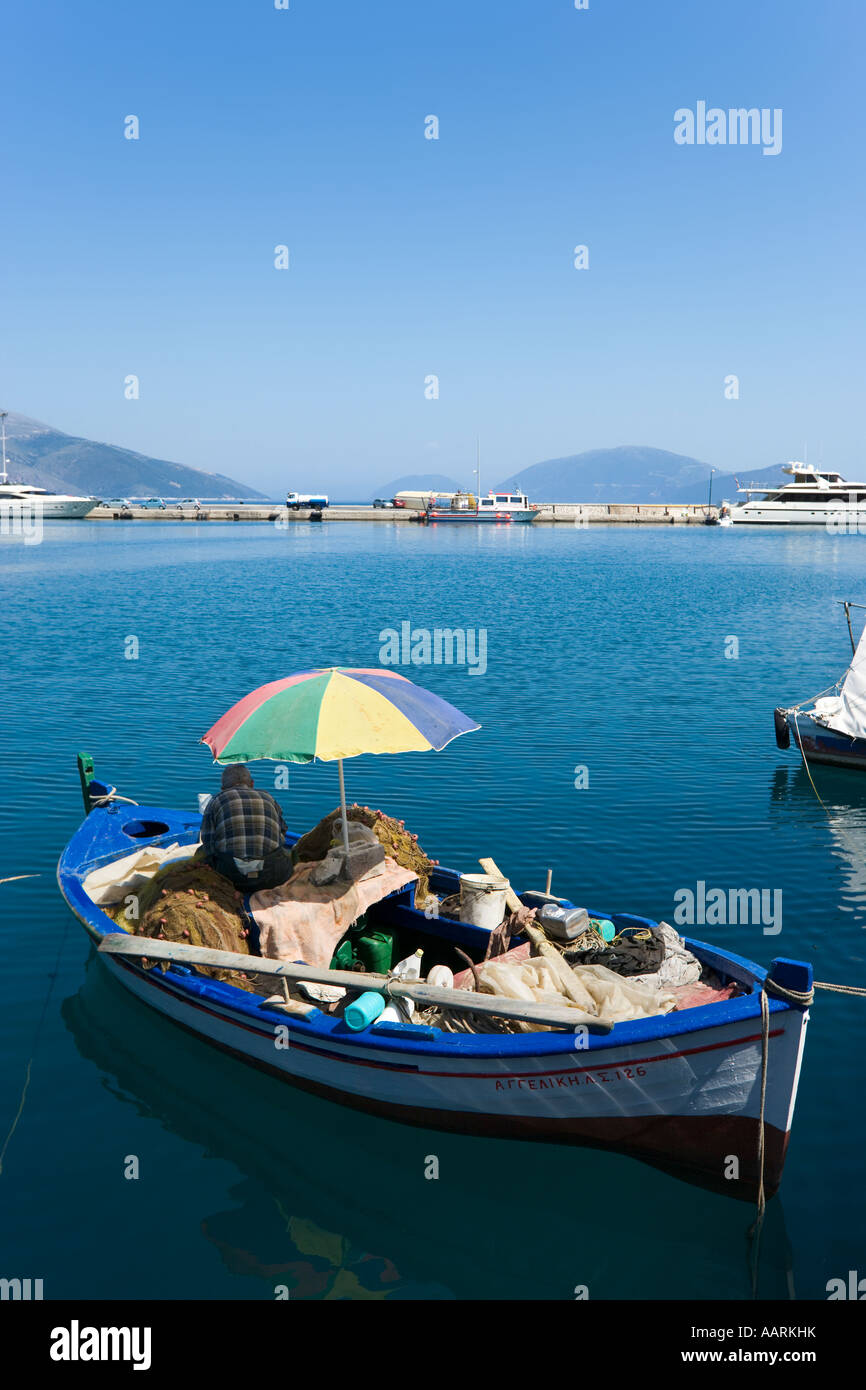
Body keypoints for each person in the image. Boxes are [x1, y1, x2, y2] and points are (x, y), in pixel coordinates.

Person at [200, 765, 294, 891]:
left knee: (200, 853)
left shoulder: (217, 800)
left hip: (230, 877)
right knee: (287, 856)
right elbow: (282, 831)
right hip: (272, 876)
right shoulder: (268, 797)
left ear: (223, 788)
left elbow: (208, 844)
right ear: (252, 783)